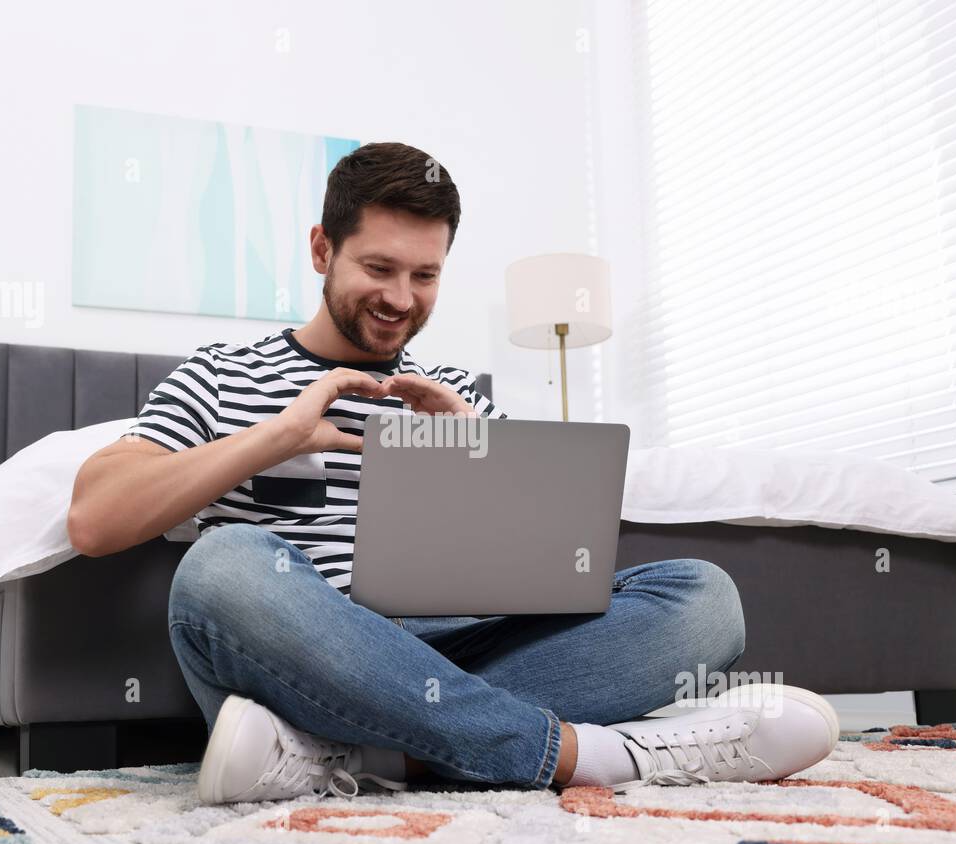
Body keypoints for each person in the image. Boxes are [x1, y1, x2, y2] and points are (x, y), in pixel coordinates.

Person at [67, 141, 839, 804]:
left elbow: (555, 569)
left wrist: (475, 447)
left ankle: (361, 756)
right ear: (320, 250)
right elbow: (96, 517)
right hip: (307, 652)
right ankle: (598, 756)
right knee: (221, 566)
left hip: (456, 645)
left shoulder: (456, 395)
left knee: (704, 597)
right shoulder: (220, 375)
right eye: (378, 267)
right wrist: (278, 436)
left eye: (425, 275)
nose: (400, 299)